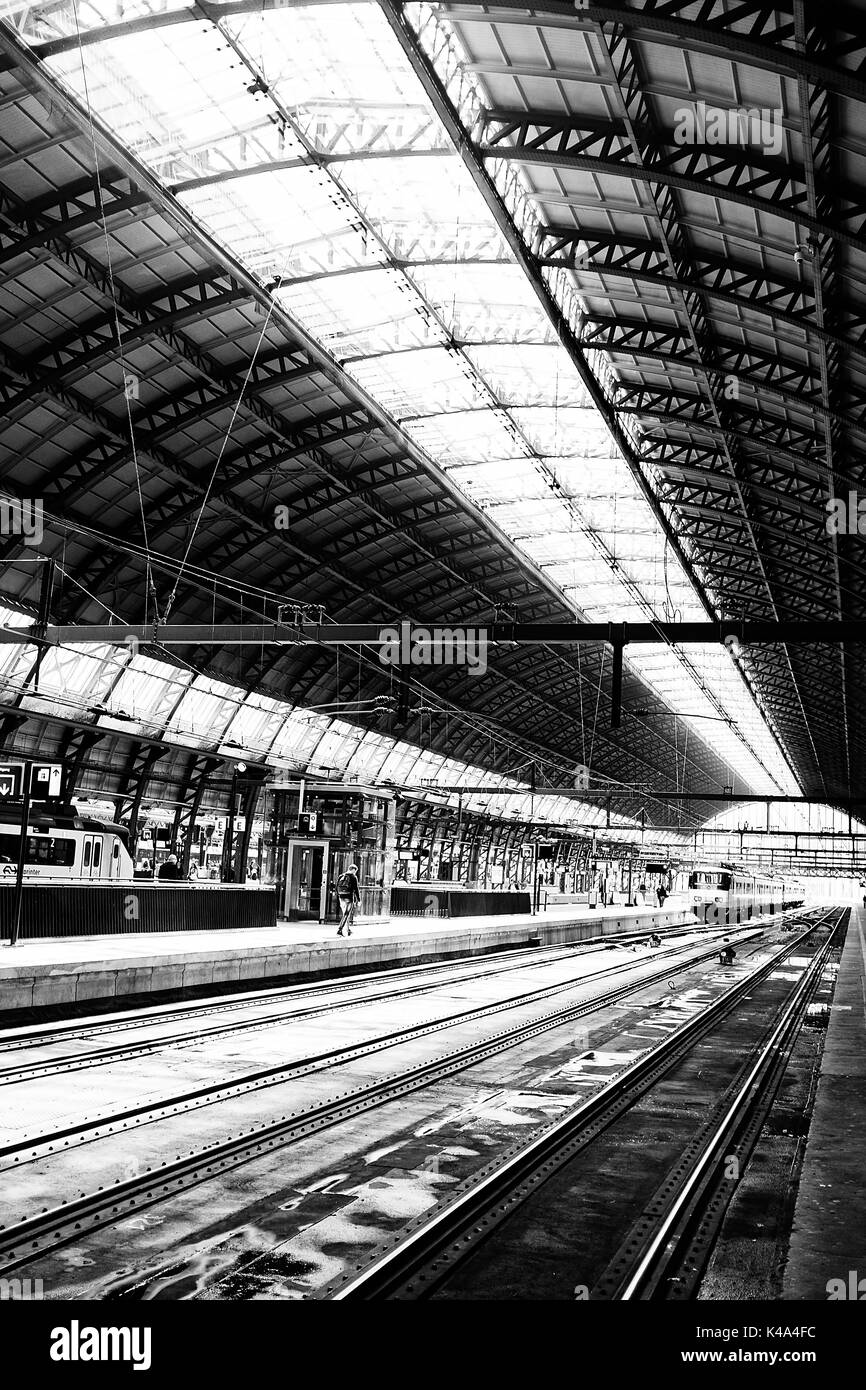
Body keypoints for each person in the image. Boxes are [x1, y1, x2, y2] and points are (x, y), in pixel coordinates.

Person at [336, 862, 361, 936]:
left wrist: (339, 895)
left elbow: (336, 887)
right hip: (349, 897)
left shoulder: (341, 876)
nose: (355, 872)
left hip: (341, 897)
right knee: (346, 914)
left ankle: (348, 930)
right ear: (353, 870)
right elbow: (356, 889)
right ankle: (339, 930)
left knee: (345, 914)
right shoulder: (353, 877)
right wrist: (358, 900)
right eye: (355, 871)